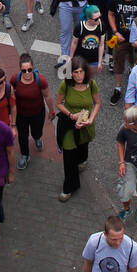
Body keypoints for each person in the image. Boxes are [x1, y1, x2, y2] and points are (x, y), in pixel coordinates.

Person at [55, 55, 100, 201]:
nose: (78, 76)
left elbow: (97, 103)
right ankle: (69, 186)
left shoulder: (92, 85)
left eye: (81, 72)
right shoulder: (66, 85)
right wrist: (70, 114)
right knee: (68, 155)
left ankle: (82, 160)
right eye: (75, 72)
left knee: (82, 149)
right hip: (69, 124)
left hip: (85, 125)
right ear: (71, 73)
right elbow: (59, 103)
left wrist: (91, 119)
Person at [9, 54, 54, 170]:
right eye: (24, 71)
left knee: (36, 131)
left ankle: (37, 138)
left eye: (29, 70)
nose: (27, 73)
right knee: (22, 137)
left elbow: (47, 96)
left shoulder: (41, 80)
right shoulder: (15, 79)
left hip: (37, 113)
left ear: (33, 68)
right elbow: (10, 95)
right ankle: (25, 155)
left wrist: (52, 111)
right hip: (21, 115)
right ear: (20, 70)